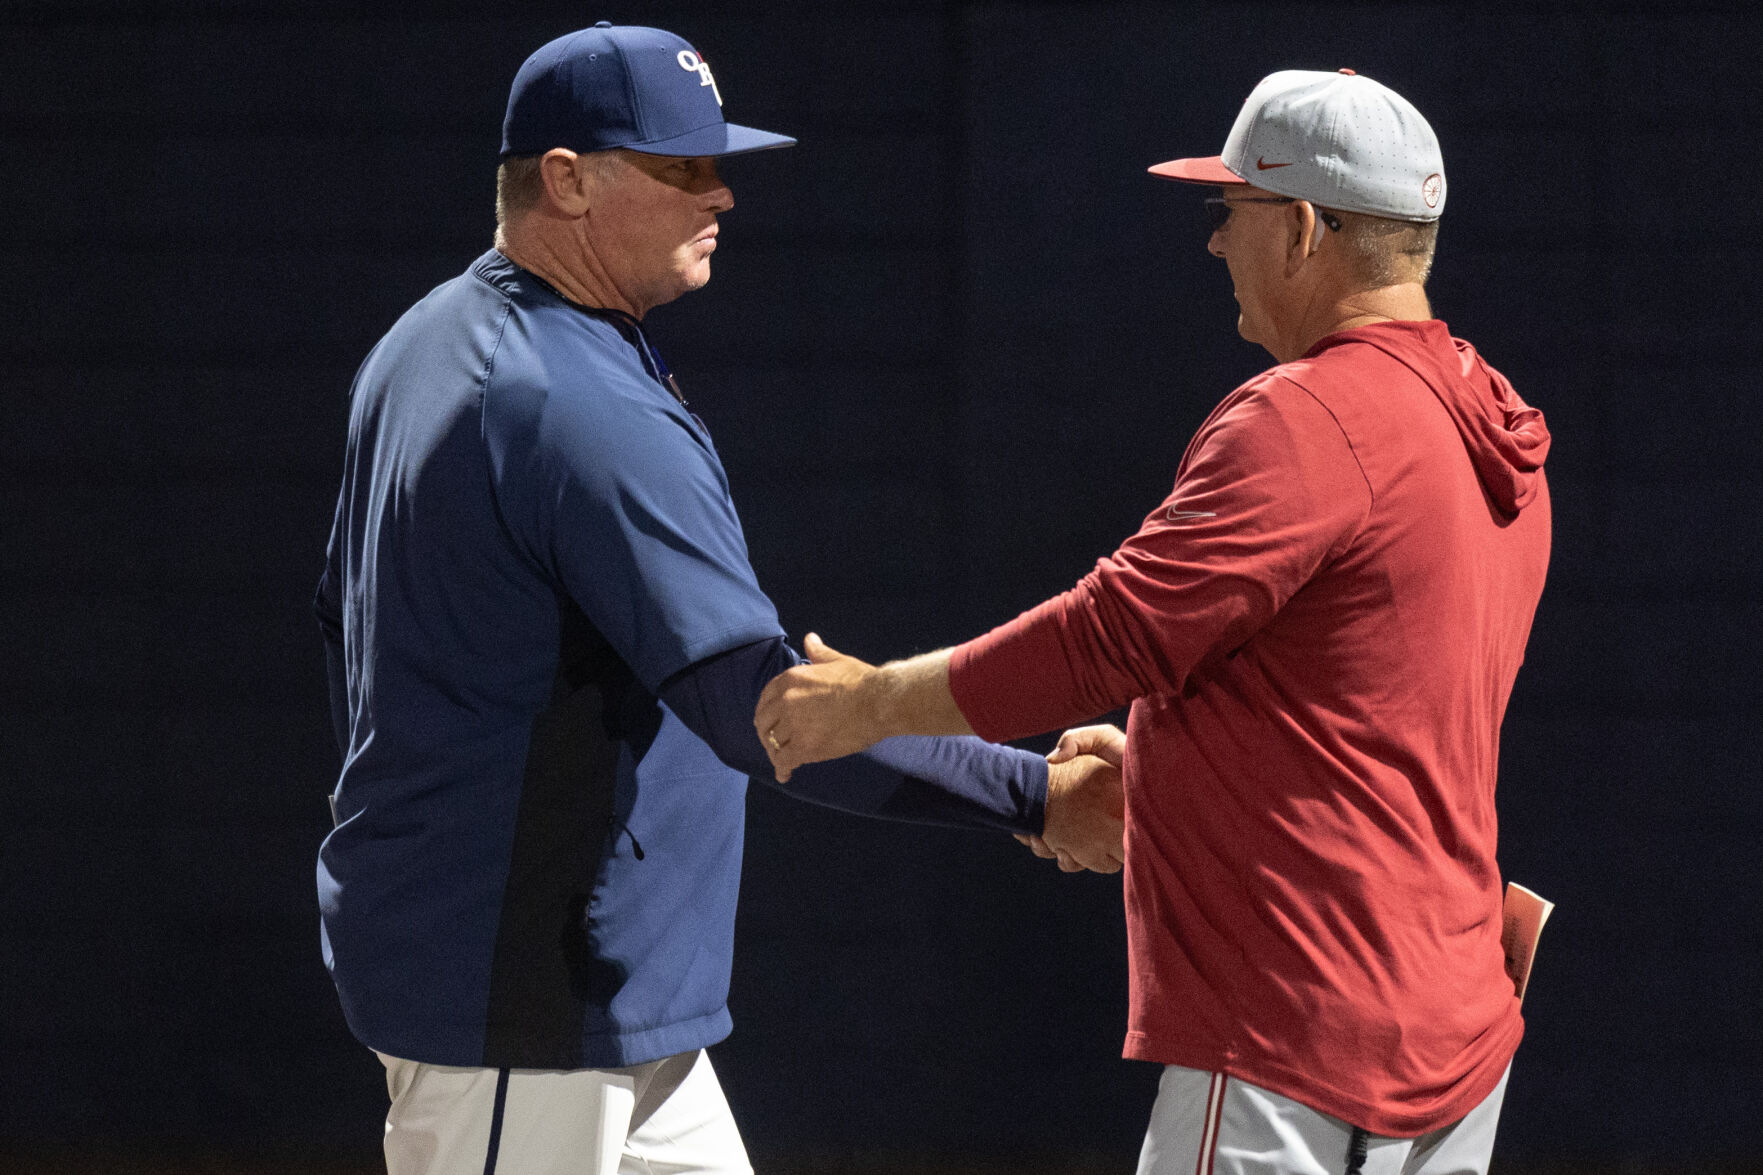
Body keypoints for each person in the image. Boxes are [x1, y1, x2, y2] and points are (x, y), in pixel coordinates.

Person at [312, 23, 1123, 1175]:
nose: (721, 192)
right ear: (565, 179)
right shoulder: (572, 398)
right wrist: (1030, 793)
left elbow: (343, 623)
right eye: (682, 166)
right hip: (523, 1001)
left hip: (582, 985)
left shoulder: (428, 340)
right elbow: (766, 711)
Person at [755, 68, 1552, 1175]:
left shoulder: (1312, 412)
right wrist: (1179, 775)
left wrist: (872, 701)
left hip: (1300, 1029)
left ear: (1303, 228)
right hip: (1447, 1020)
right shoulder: (1490, 418)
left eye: (1231, 209)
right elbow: (1363, 710)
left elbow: (1106, 636)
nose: (1215, 240)